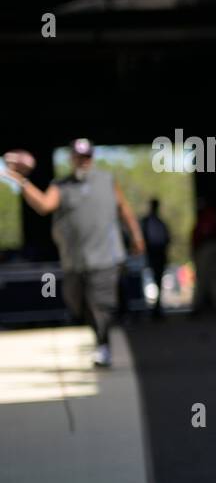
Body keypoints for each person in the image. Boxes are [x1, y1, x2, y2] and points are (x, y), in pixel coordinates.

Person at [4, 139, 145, 367]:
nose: (83, 161)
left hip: (106, 257)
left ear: (92, 157)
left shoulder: (107, 181)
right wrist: (23, 182)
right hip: (75, 260)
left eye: (86, 156)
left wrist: (137, 236)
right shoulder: (61, 186)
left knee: (101, 302)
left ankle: (103, 344)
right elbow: (43, 205)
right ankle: (100, 338)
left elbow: (124, 209)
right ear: (71, 158)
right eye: (79, 157)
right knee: (77, 303)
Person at [189, 196, 216, 316]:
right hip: (210, 247)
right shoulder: (206, 217)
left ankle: (199, 306)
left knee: (203, 277)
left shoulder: (209, 217)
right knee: (213, 278)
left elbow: (205, 233)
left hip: (208, 247)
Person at [139, 198, 171, 320]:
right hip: (151, 253)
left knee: (159, 281)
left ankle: (157, 308)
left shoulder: (160, 222)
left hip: (159, 253)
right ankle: (153, 308)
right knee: (151, 281)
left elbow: (167, 238)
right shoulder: (147, 222)